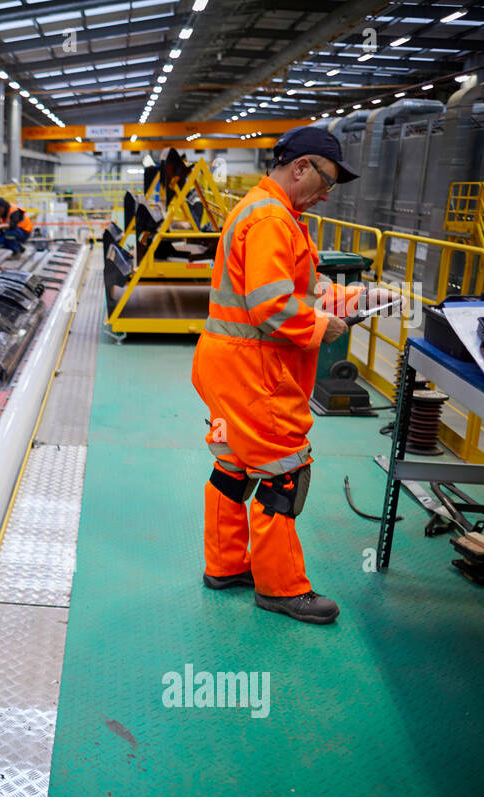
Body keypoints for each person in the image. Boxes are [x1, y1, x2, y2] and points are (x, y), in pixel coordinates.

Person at [191, 126, 402, 625]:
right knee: (285, 473)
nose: (328, 194)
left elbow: (301, 288)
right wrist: (322, 328)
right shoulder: (270, 219)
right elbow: (274, 307)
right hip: (254, 374)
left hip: (224, 368)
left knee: (232, 466)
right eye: (326, 181)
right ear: (301, 166)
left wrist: (354, 299)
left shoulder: (274, 214)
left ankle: (224, 567)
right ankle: (281, 588)